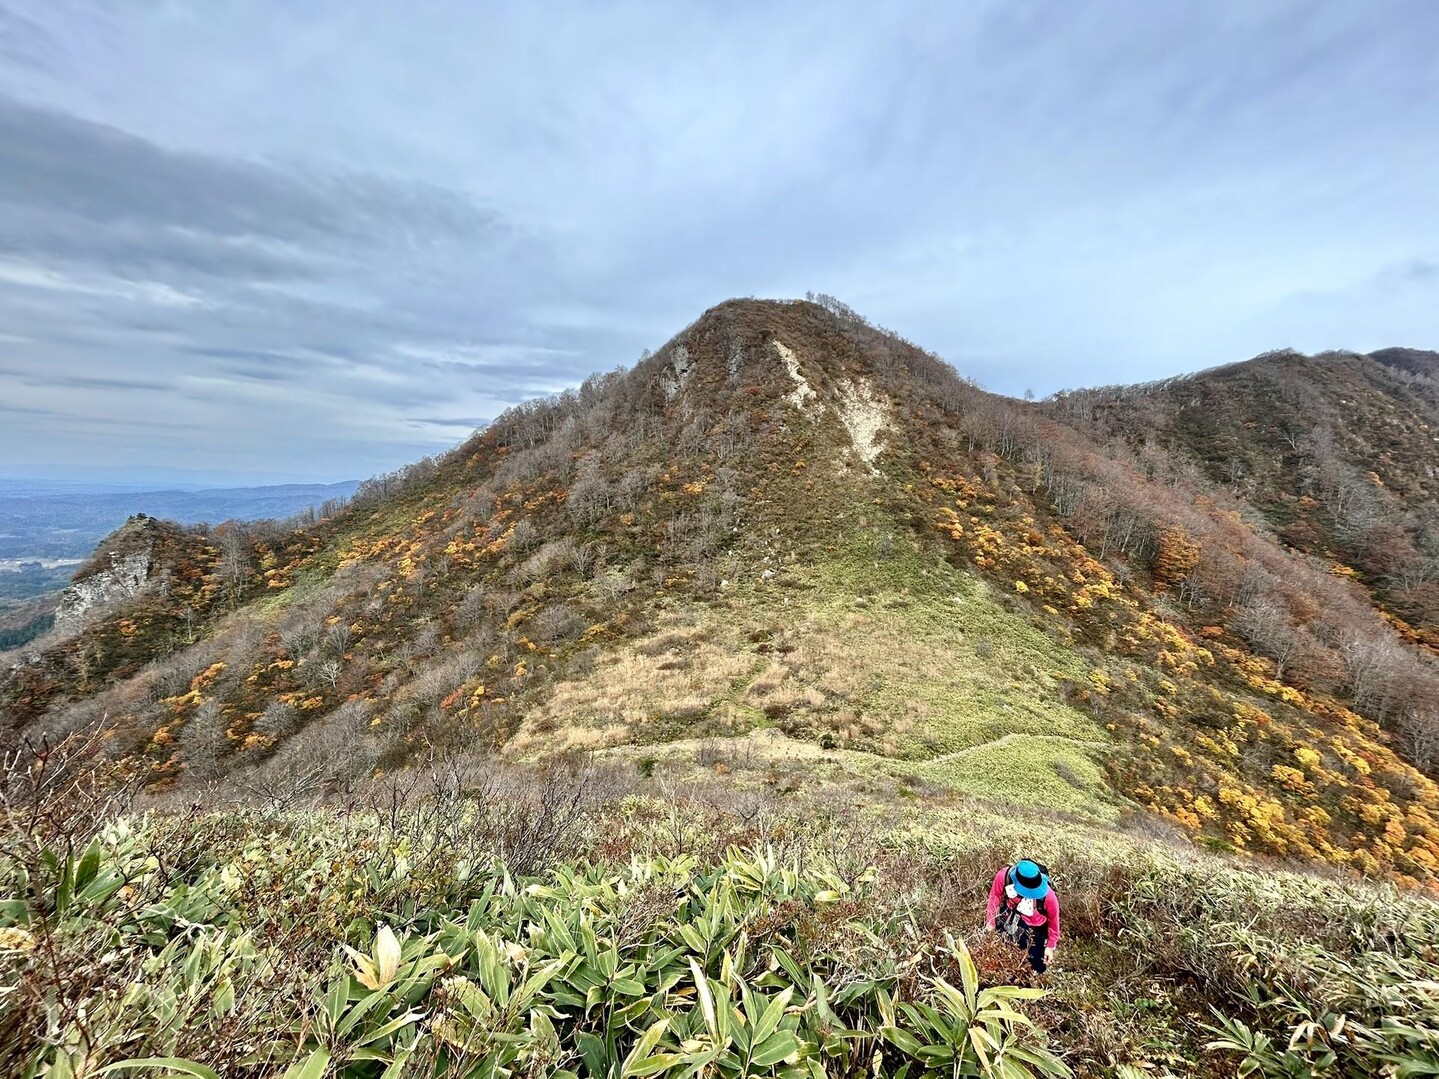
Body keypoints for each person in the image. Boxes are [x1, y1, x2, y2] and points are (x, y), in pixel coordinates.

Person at [985, 859, 1060, 973]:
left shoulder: (1049, 896)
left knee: (1034, 964)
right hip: (1009, 914)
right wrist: (990, 922)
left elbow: (1053, 921)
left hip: (1034, 927)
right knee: (1004, 951)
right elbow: (994, 897)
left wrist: (1050, 946)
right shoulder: (1004, 876)